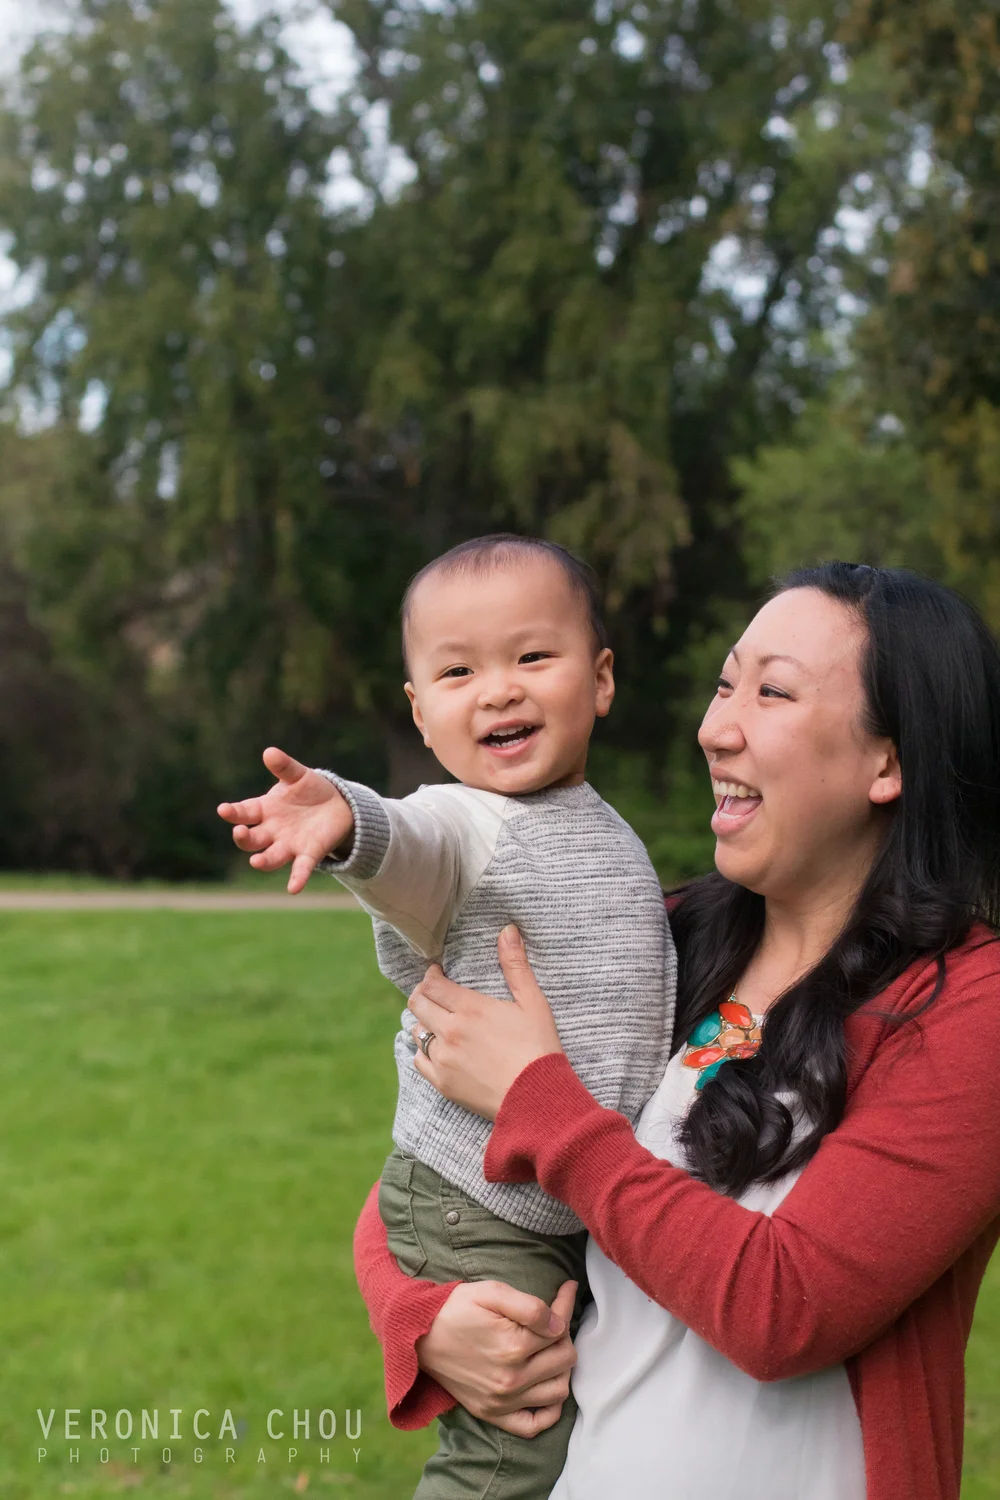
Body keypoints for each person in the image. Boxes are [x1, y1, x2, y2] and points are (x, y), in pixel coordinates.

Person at [353, 562, 1000, 1500]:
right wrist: (421, 1311)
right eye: (724, 682)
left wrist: (545, 1105)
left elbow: (786, 1310)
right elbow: (420, 1179)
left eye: (771, 692)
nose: (715, 726)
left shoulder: (967, 1011)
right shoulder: (661, 939)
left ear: (888, 762)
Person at [217, 534, 676, 1499]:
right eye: (459, 672)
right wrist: (343, 817)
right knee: (515, 1448)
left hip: (560, 1197)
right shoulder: (468, 825)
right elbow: (410, 840)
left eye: (532, 657)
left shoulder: (602, 826)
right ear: (423, 714)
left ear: (599, 681)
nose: (499, 690)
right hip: (476, 1199)